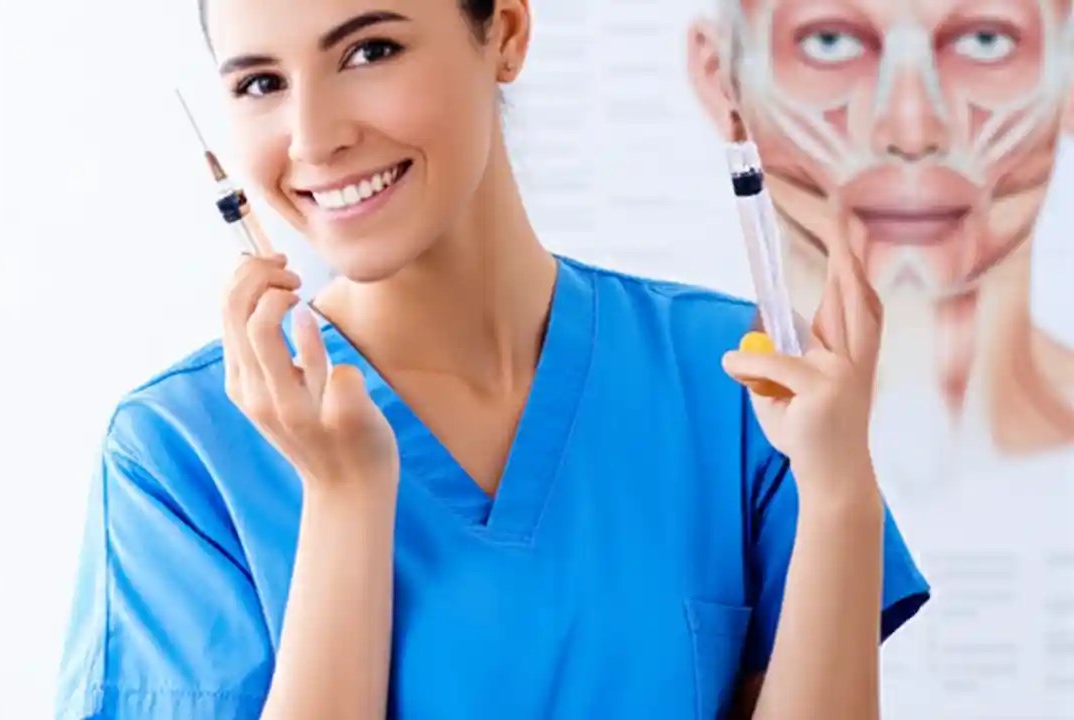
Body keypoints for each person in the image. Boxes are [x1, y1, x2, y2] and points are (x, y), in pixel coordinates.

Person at [55, 1, 930, 718]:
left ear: (505, 33)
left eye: (369, 50)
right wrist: (344, 502)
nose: (314, 137)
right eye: (261, 83)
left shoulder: (737, 381)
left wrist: (841, 489)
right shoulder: (179, 454)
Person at [687, 0, 1074, 458]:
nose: (911, 133)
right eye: (829, 41)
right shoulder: (654, 439)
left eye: (985, 41)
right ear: (723, 82)